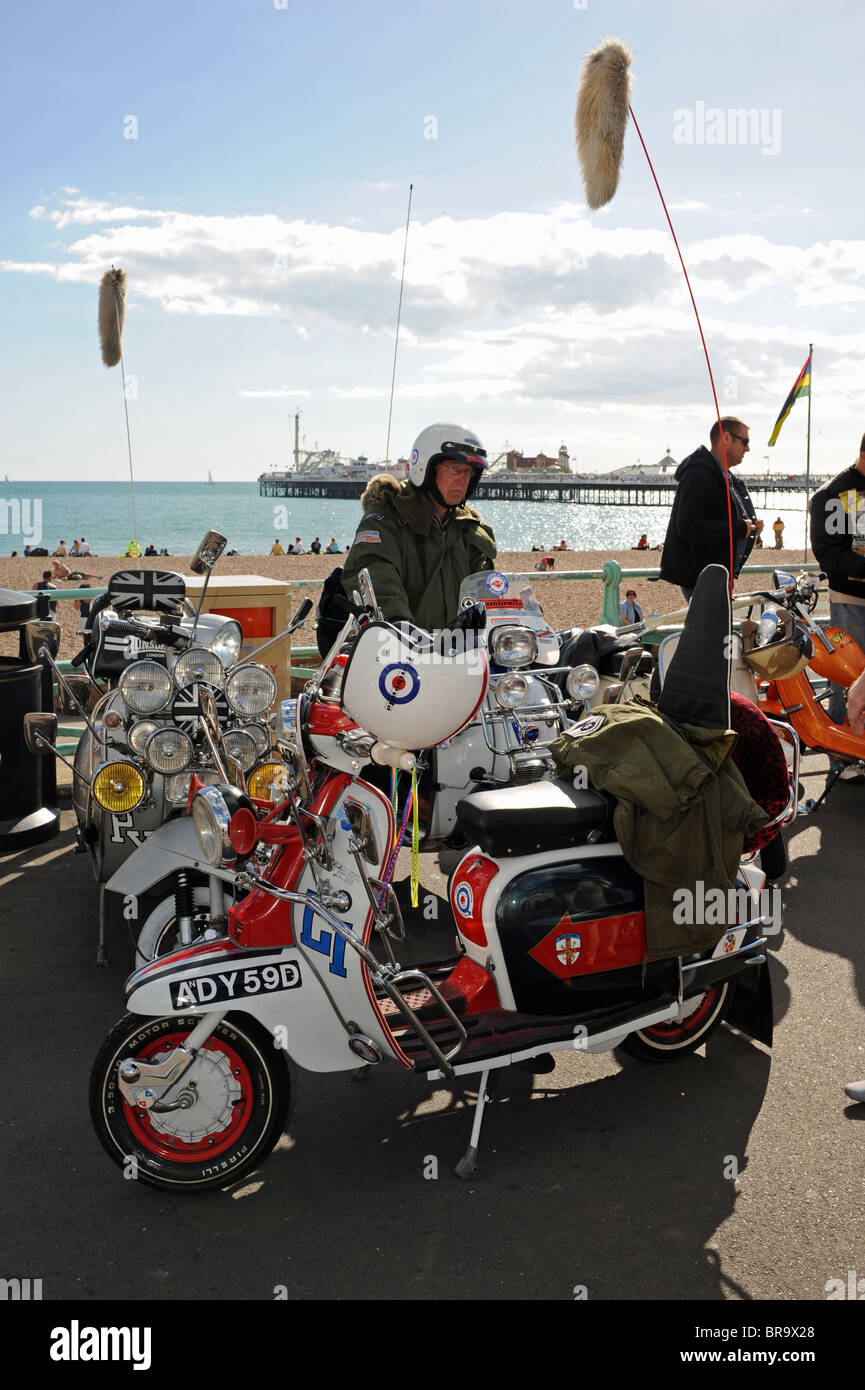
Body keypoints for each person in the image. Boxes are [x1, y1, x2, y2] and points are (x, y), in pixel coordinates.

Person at [339, 421, 497, 631]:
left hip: (462, 653)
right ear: (426, 467)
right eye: (454, 469)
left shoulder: (469, 529)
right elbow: (376, 575)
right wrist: (400, 627)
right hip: (400, 652)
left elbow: (484, 589)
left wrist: (507, 615)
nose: (463, 480)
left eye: (469, 472)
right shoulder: (386, 518)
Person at [809, 433, 865, 783]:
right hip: (851, 602)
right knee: (848, 679)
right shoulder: (834, 494)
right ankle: (844, 759)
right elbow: (829, 554)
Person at [659, 417, 762, 602]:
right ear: (727, 438)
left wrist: (749, 526)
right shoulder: (699, 473)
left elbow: (717, 516)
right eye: (744, 442)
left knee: (716, 630)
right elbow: (689, 525)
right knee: (710, 631)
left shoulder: (721, 473)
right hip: (702, 578)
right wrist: (738, 528)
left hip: (715, 577)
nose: (747, 448)